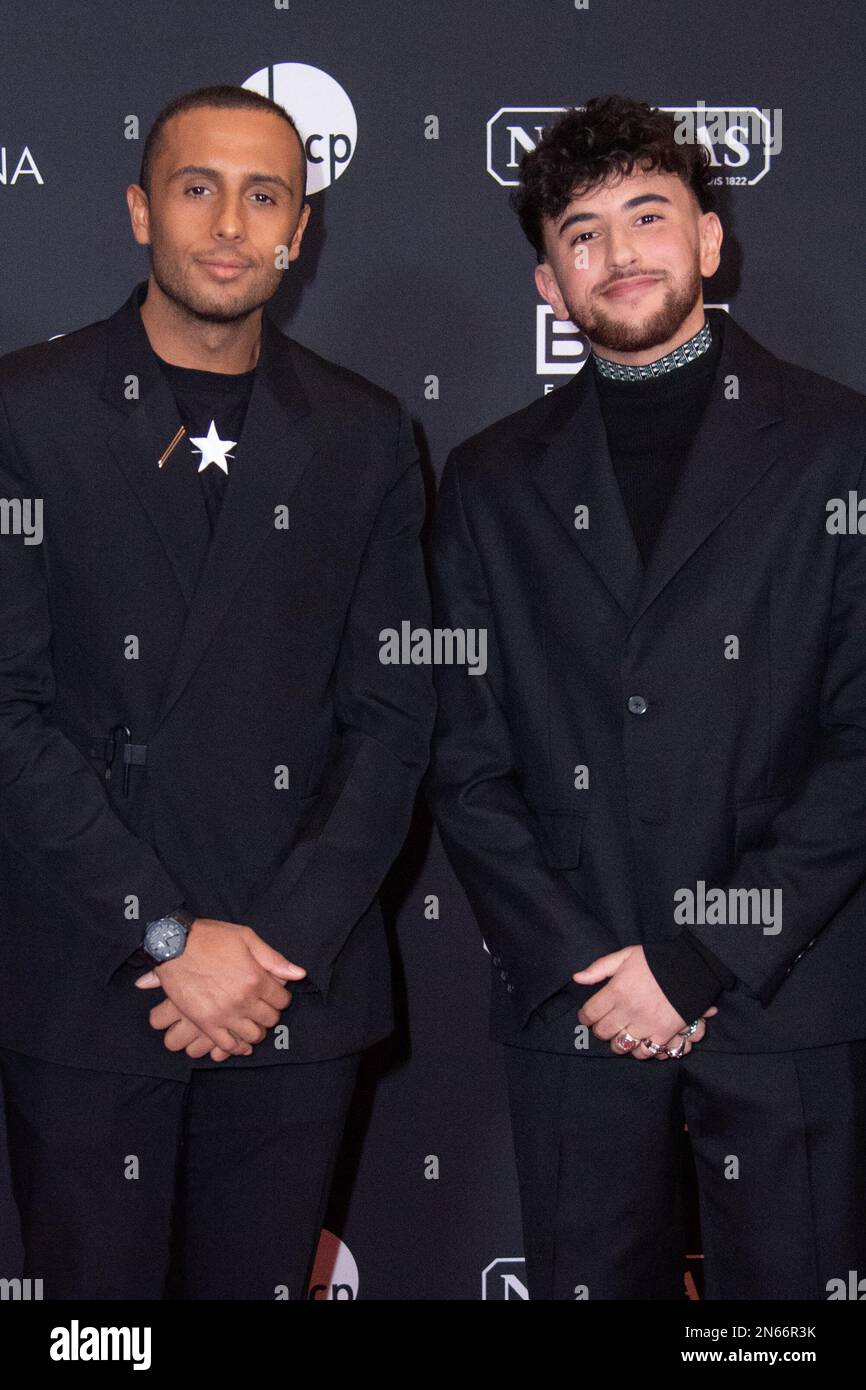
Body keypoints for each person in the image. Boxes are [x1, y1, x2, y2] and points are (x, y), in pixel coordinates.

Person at [426, 94, 866, 1299]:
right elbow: (461, 758)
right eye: (581, 231)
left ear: (709, 240)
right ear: (545, 283)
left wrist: (698, 959)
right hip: (577, 1006)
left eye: (646, 213)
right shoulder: (488, 481)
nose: (618, 252)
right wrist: (593, 968)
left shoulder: (838, 446)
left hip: (784, 992)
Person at [0, 84, 434, 1300]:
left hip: (290, 993)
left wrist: (271, 947)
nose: (230, 222)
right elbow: (6, 711)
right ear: (142, 210)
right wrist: (167, 933)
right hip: (94, 977)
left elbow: (395, 716)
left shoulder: (360, 433)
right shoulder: (22, 415)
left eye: (265, 195)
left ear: (300, 230)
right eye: (199, 188)